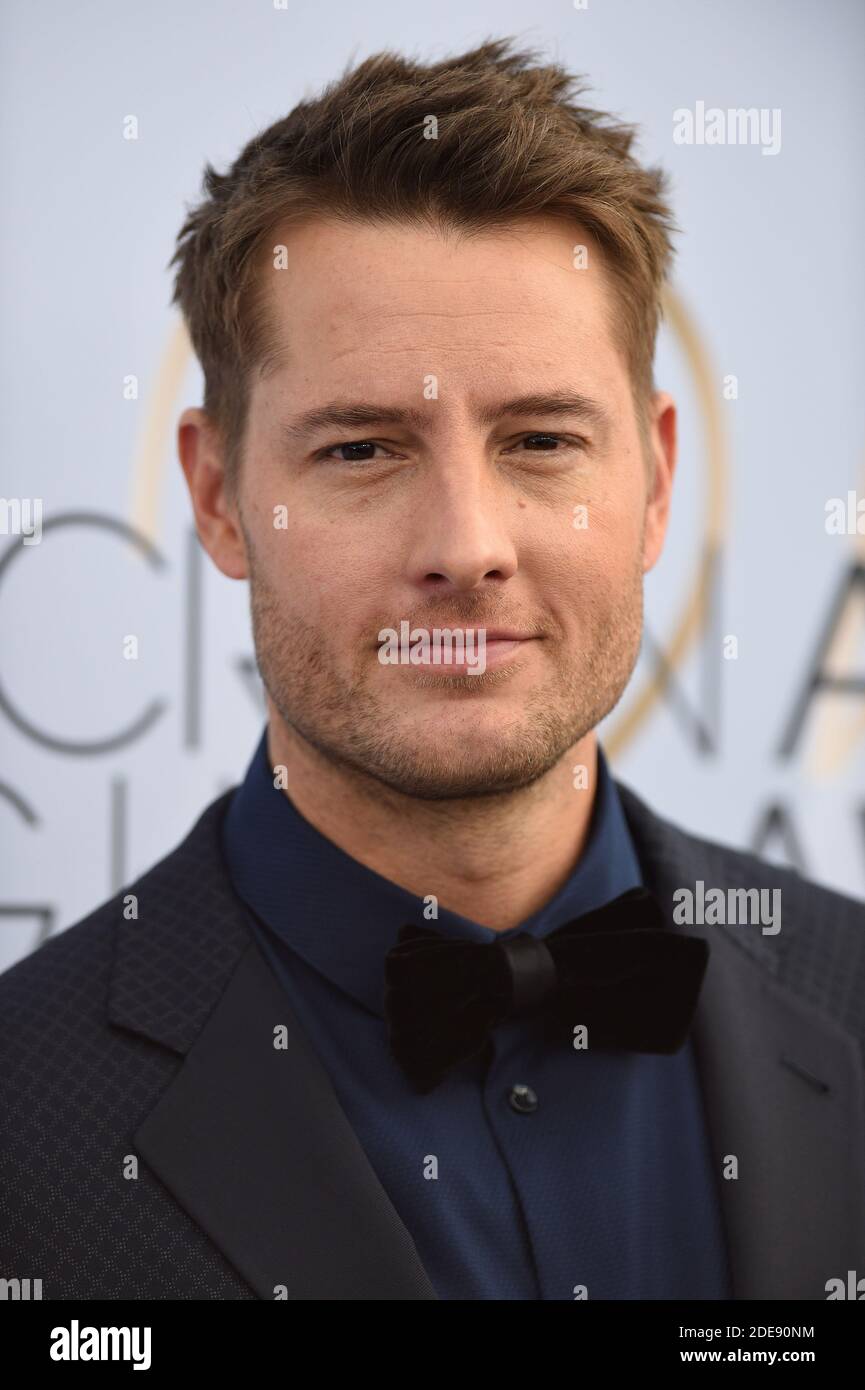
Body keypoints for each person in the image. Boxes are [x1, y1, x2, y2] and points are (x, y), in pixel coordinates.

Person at [1, 35, 863, 1302]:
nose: (467, 548)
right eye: (360, 451)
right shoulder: (25, 1116)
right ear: (217, 493)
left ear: (657, 480)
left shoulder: (847, 989)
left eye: (540, 439)